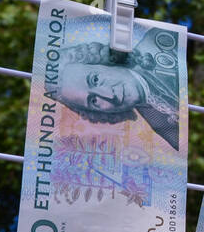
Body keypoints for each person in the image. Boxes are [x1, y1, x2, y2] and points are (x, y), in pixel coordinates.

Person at [49, 26, 182, 150]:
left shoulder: (158, 42)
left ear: (103, 61)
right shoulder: (159, 125)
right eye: (94, 101)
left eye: (95, 79)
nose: (109, 95)